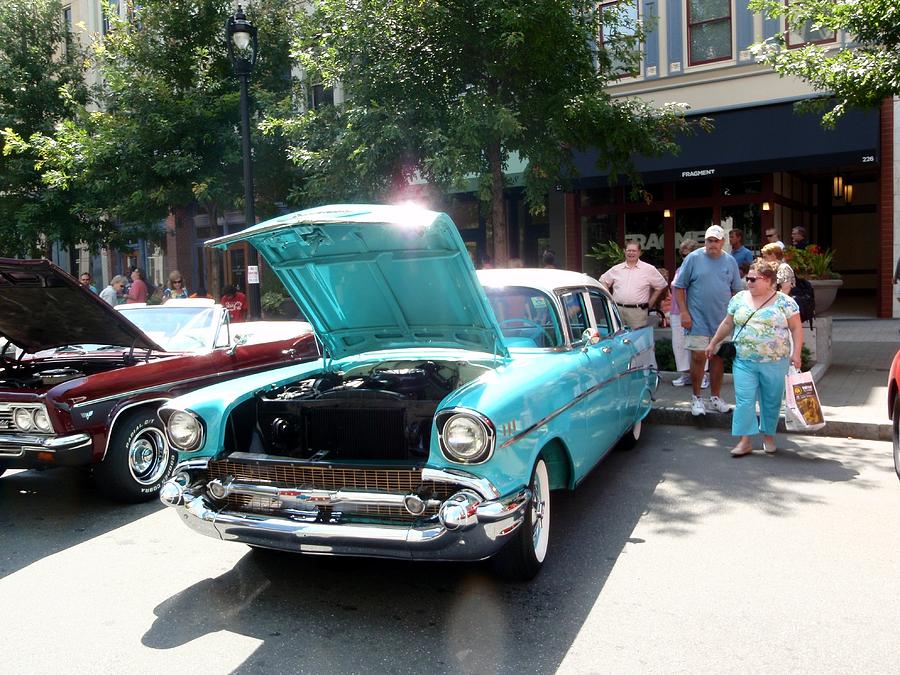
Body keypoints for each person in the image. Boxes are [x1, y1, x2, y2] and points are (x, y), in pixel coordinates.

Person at [705, 259, 803, 457]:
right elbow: (727, 323)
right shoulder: (739, 298)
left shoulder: (785, 302)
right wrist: (713, 342)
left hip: (775, 362)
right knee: (744, 401)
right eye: (747, 278)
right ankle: (745, 441)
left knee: (771, 400)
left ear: (768, 280)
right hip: (744, 361)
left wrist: (797, 353)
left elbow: (796, 328)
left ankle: (768, 436)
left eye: (752, 279)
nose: (748, 282)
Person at [673, 225, 742, 416]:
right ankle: (696, 398)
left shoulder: (730, 261)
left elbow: (736, 290)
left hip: (722, 320)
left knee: (718, 358)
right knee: (698, 356)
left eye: (716, 240)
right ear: (706, 241)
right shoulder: (693, 258)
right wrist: (684, 313)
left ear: (723, 242)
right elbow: (679, 287)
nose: (712, 244)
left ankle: (715, 397)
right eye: (709, 240)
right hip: (697, 319)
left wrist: (735, 315)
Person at [600, 241, 668, 329]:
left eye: (634, 251)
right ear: (624, 251)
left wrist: (650, 303)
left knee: (636, 339)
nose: (631, 253)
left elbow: (660, 285)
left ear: (639, 252)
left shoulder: (648, 269)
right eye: (628, 250)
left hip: (638, 312)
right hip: (618, 310)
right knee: (617, 338)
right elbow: (603, 280)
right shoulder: (616, 269)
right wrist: (609, 299)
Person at [670, 239, 709, 389]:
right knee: (679, 345)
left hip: (696, 312)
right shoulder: (679, 270)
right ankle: (686, 375)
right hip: (677, 312)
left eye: (688, 255)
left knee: (699, 345)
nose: (685, 258)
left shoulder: (702, 270)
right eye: (682, 255)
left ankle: (702, 376)